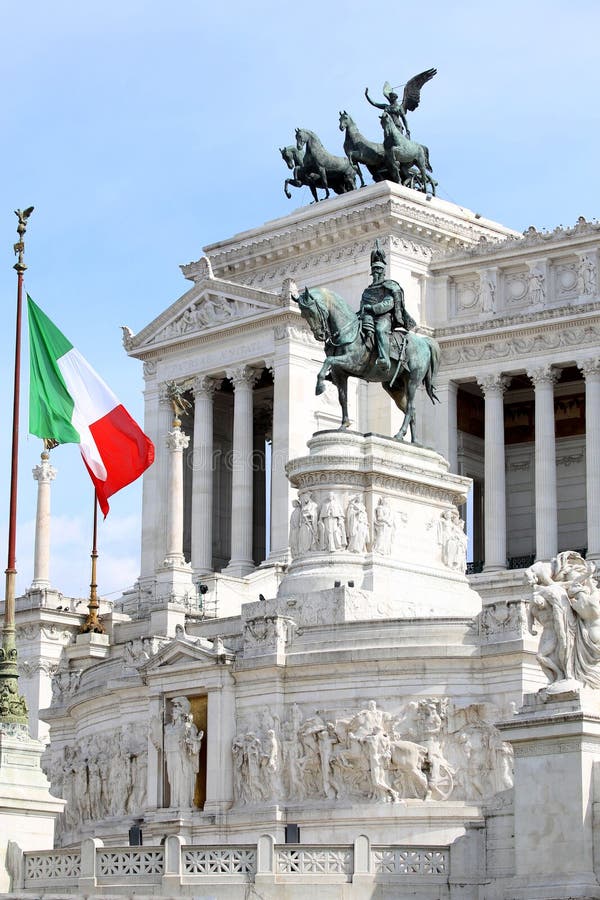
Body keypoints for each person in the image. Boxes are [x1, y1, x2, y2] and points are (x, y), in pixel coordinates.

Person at [359, 240, 416, 373]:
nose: (376, 274)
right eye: (374, 271)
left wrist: (373, 308)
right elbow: (362, 306)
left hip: (384, 317)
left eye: (379, 271)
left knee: (379, 330)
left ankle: (384, 358)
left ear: (383, 272)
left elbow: (389, 303)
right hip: (368, 317)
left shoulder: (390, 286)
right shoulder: (367, 290)